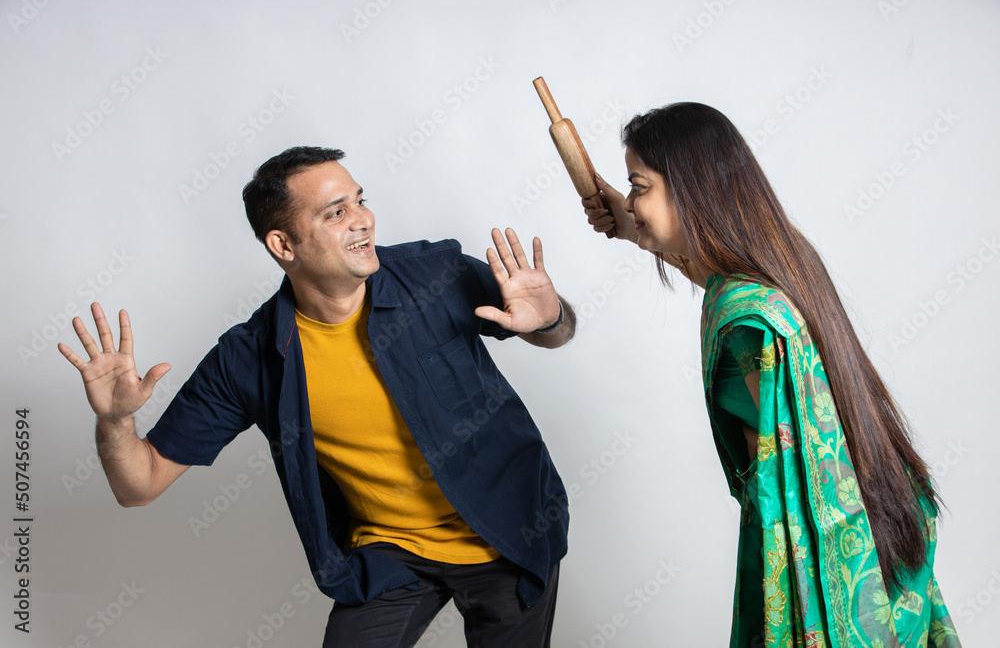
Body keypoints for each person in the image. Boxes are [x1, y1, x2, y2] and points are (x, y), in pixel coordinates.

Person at [59, 146, 576, 648]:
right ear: (283, 246)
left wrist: (550, 319)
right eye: (336, 212)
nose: (363, 220)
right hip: (390, 556)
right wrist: (114, 421)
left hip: (508, 530)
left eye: (359, 200)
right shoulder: (248, 358)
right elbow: (139, 485)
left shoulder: (436, 274)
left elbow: (554, 332)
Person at [580, 102, 962, 647]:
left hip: (832, 556)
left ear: (691, 188)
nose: (633, 200)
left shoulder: (752, 322)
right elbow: (707, 265)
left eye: (639, 186)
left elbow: (801, 465)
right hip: (885, 516)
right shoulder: (775, 263)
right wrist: (635, 224)